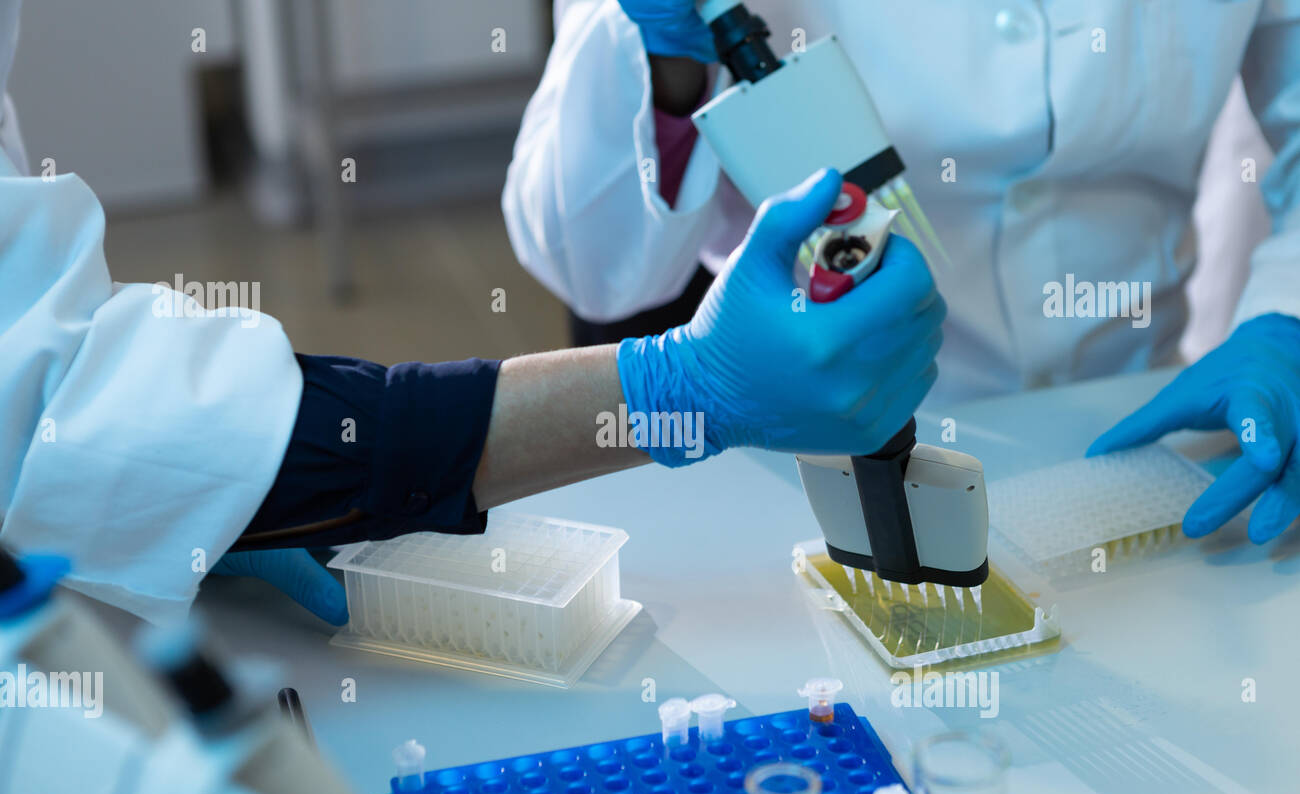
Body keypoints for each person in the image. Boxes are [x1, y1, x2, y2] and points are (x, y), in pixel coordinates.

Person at [0, 0, 943, 627]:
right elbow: (45, 395)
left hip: (1063, 386)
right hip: (826, 420)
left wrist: (243, 471)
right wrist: (663, 77)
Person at [502, 0, 1300, 546]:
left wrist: (1288, 317)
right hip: (811, 464)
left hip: (1128, 432)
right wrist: (661, 65)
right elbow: (595, 266)